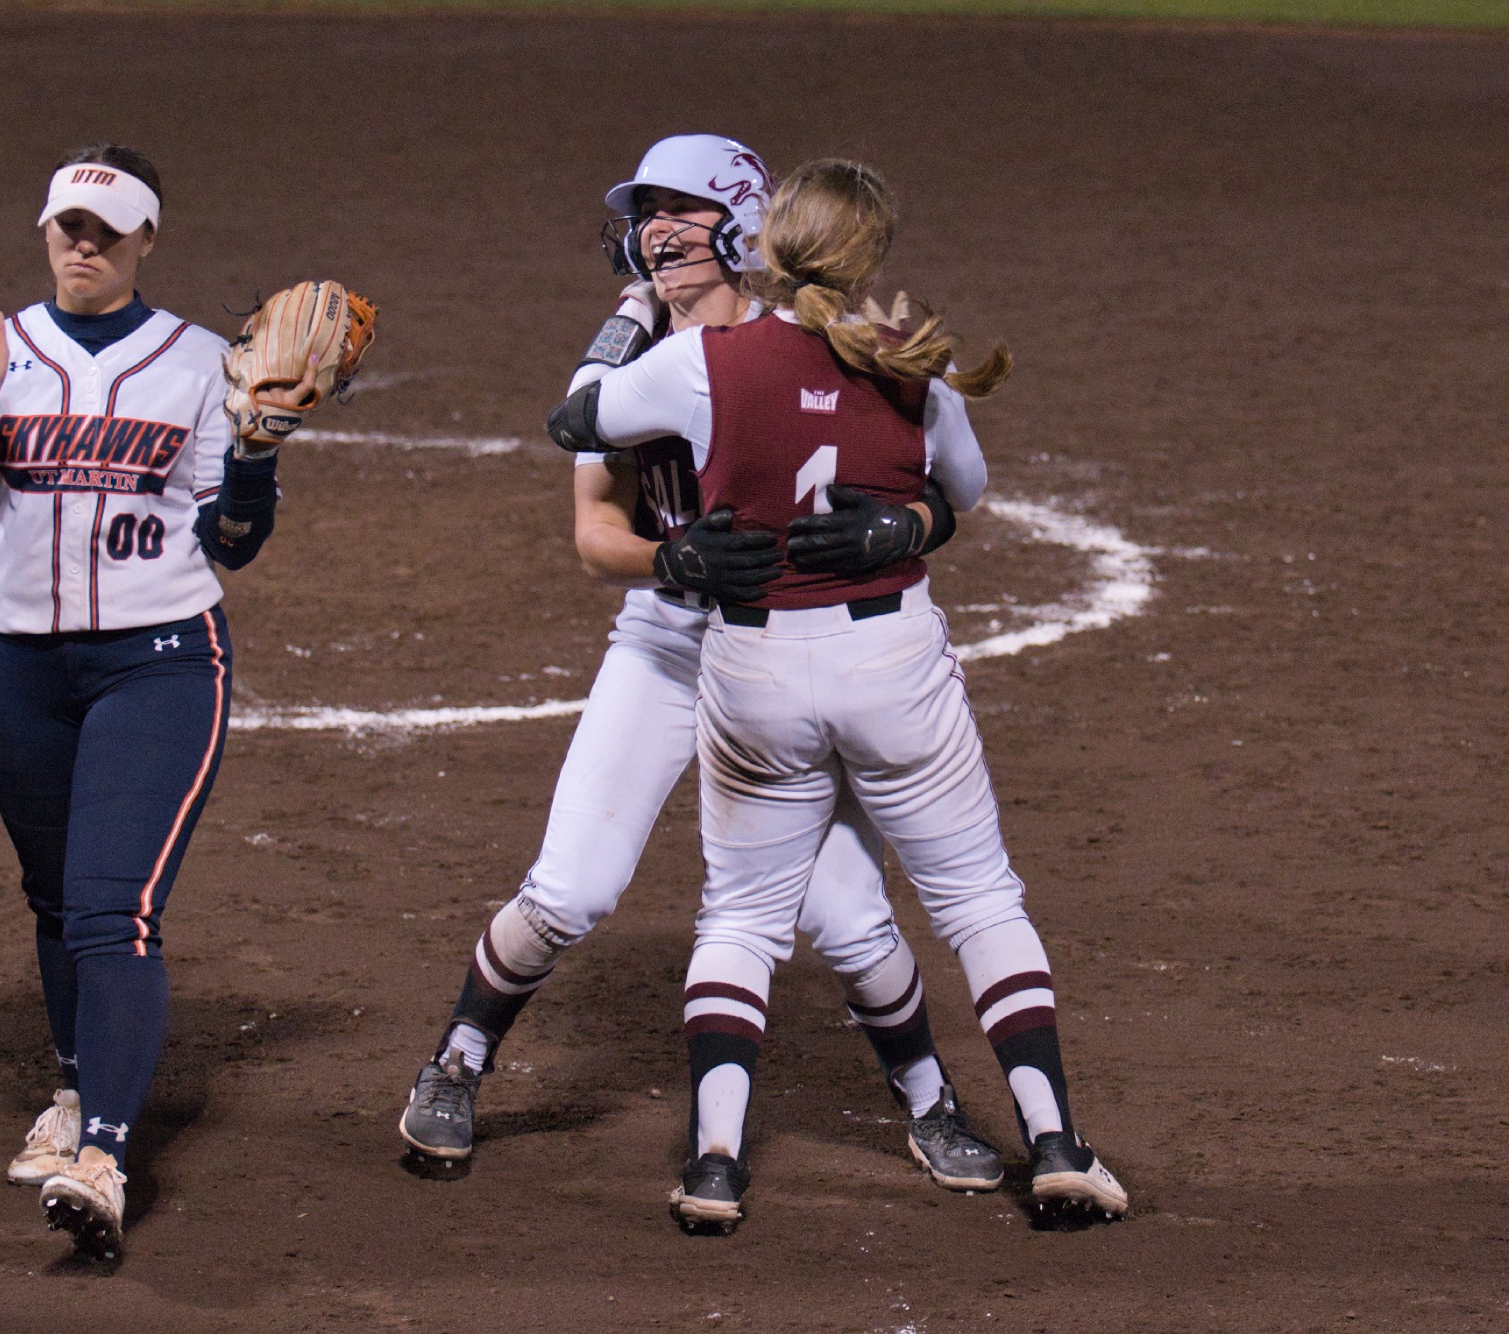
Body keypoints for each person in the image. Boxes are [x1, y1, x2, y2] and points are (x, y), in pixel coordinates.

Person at [399, 135, 1003, 1195]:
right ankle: (457, 1057)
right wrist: (666, 556)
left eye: (678, 206)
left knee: (849, 917)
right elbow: (594, 533)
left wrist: (910, 524)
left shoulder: (816, 342)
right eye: (644, 210)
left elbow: (938, 473)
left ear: (740, 225)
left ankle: (928, 1101)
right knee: (571, 888)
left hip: (802, 659)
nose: (655, 229)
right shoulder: (628, 367)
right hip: (671, 646)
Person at [547, 157, 1132, 1230]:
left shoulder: (705, 365)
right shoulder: (913, 366)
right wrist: (905, 525)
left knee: (740, 916)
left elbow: (576, 419)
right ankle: (1054, 1142)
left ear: (764, 244)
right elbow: (964, 494)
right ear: (869, 254)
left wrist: (630, 307)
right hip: (890, 664)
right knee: (977, 902)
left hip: (754, 664)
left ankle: (714, 1164)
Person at [0, 145, 315, 1258]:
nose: (81, 246)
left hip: (159, 661)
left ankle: (104, 1148)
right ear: (46, 229)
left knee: (109, 909)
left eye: (104, 231)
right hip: (20, 670)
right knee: (53, 897)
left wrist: (256, 460)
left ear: (144, 240)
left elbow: (233, 542)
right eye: (66, 227)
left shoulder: (199, 363)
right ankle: (73, 1085)